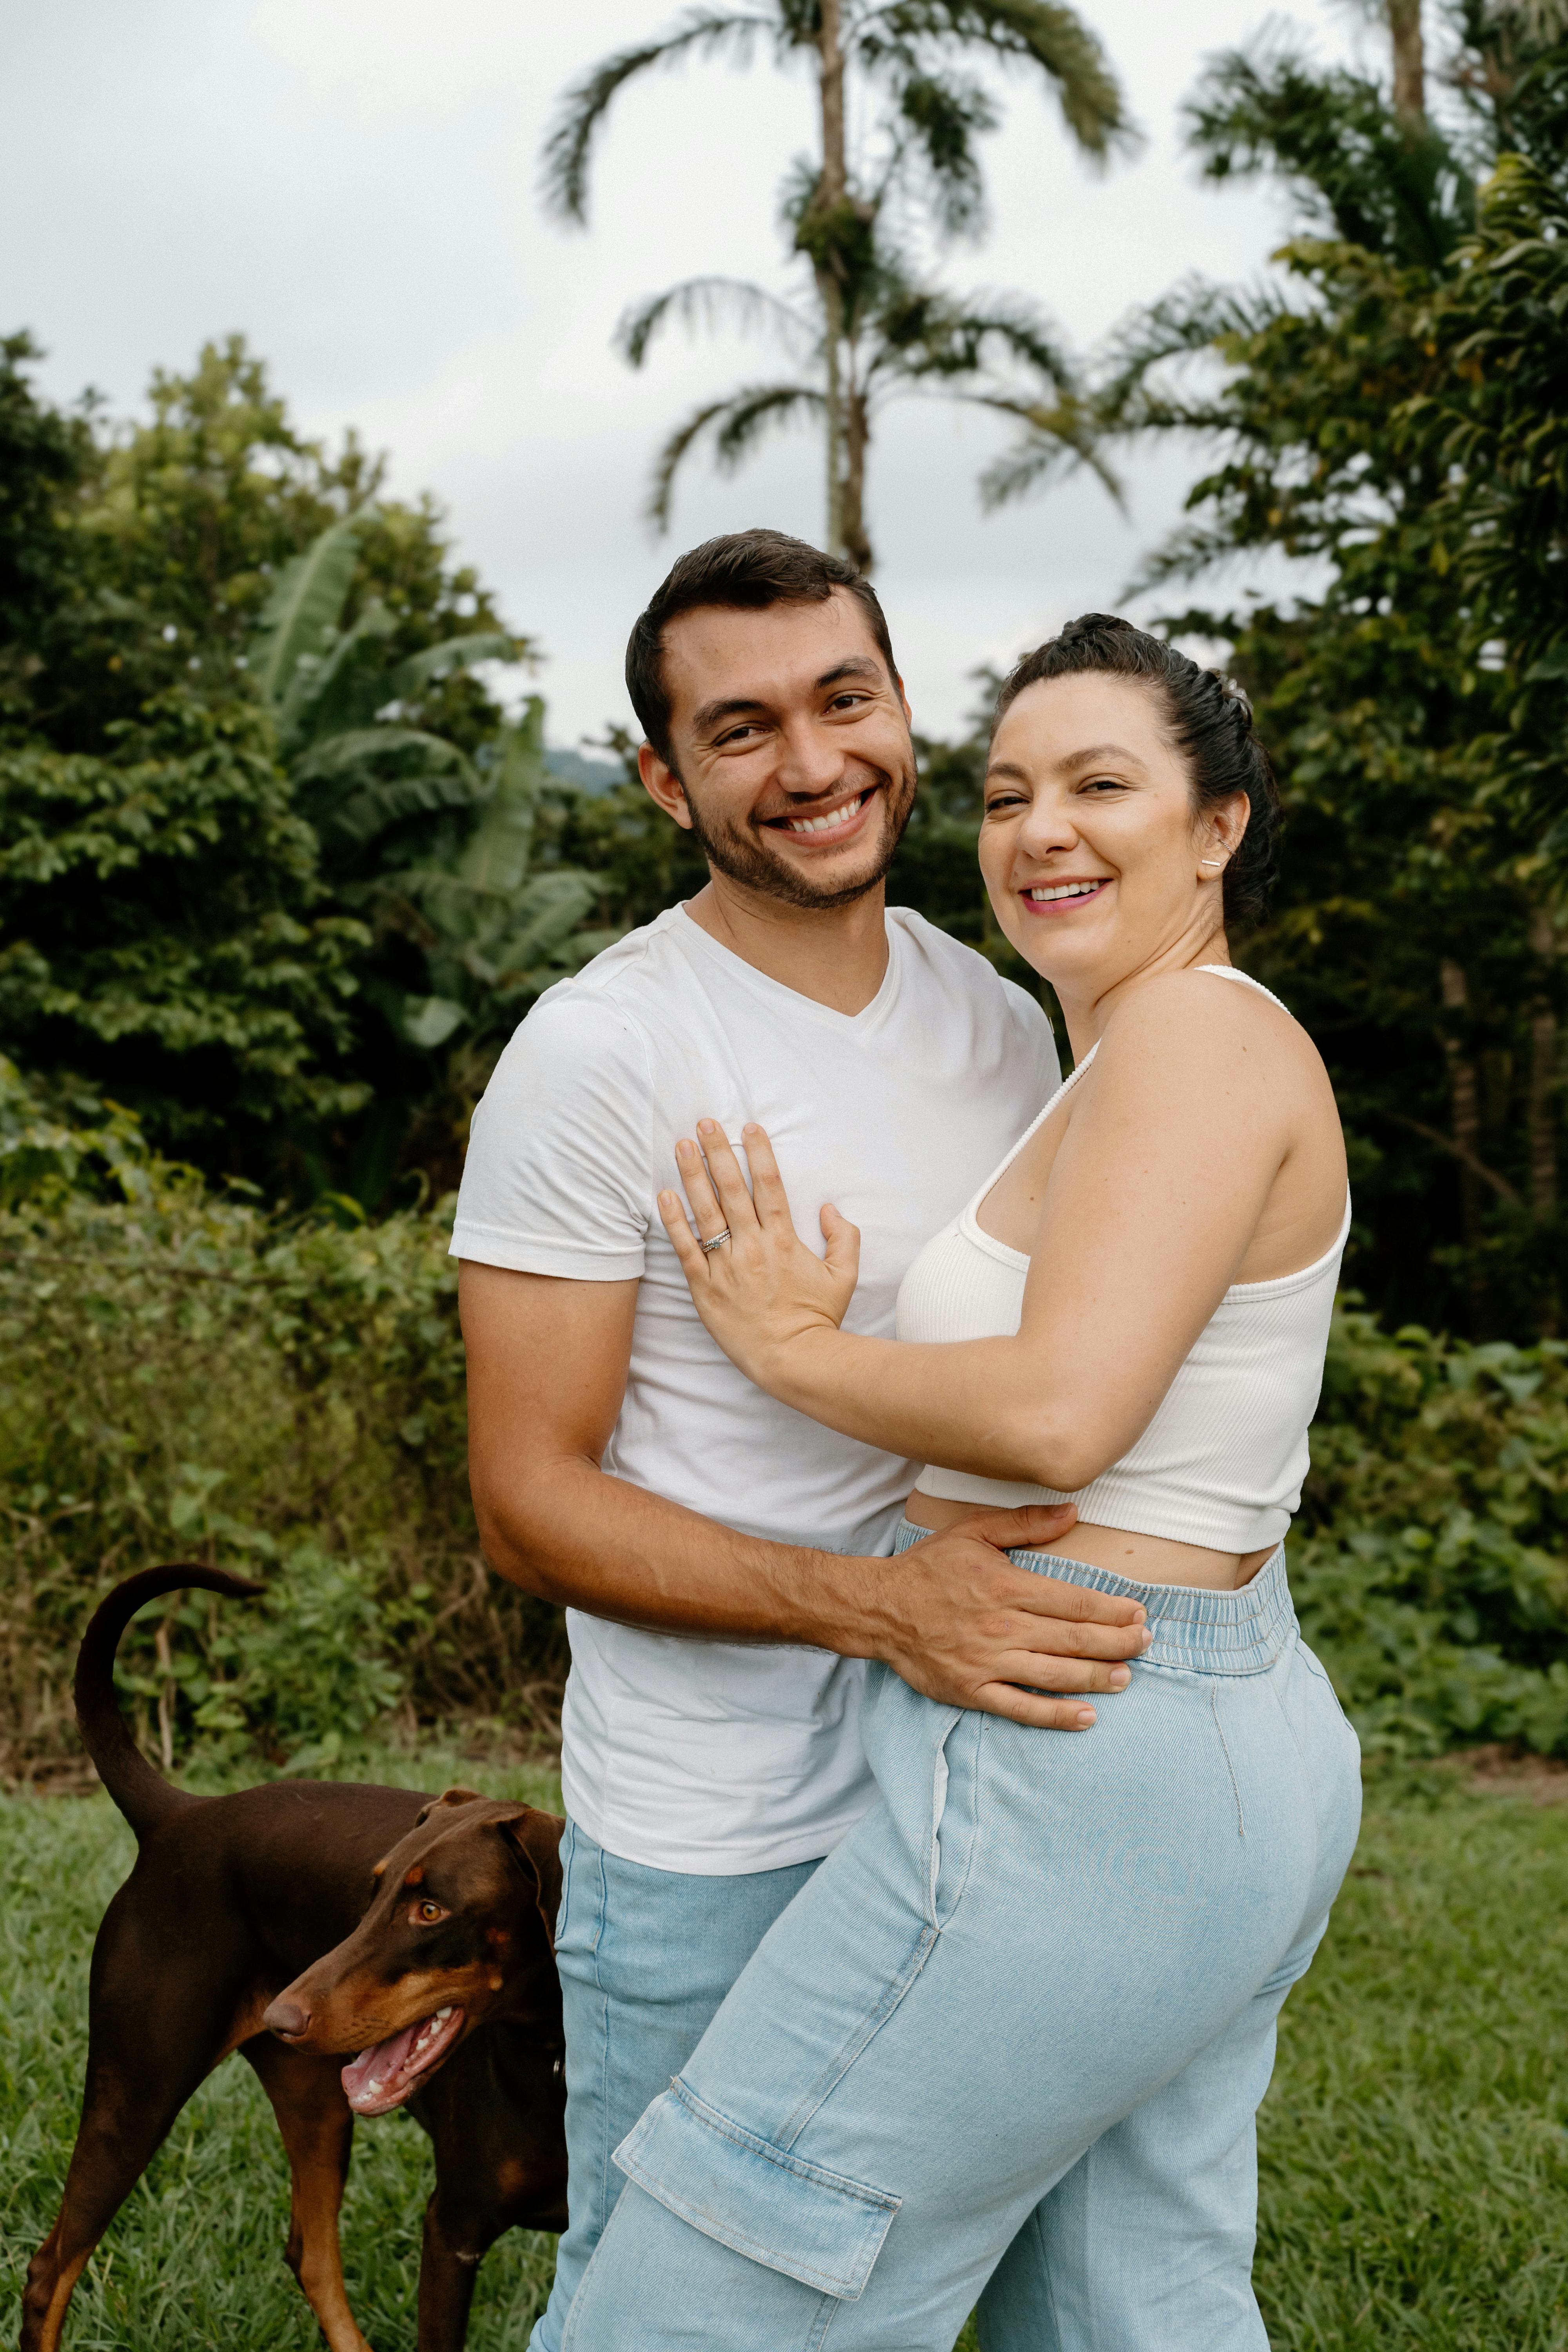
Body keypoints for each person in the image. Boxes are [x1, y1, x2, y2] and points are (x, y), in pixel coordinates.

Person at [560, 614, 1364, 2350]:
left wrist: (788, 1347)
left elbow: (1066, 1414)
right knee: (1125, 2301)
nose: (1040, 830)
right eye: (1007, 794)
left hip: (1087, 1752)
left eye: (1100, 785)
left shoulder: (1195, 1039)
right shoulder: (1115, 1055)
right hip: (1185, 1730)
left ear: (1217, 824)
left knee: (705, 2283)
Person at [450, 535, 1151, 2352]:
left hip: (973, 1795)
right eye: (742, 728)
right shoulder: (604, 1052)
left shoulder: (1000, 1020)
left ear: (904, 707)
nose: (814, 762)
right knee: (664, 2305)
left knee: (940, 2288)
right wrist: (881, 1607)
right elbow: (529, 1503)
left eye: (846, 699)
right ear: (665, 780)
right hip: (719, 1839)